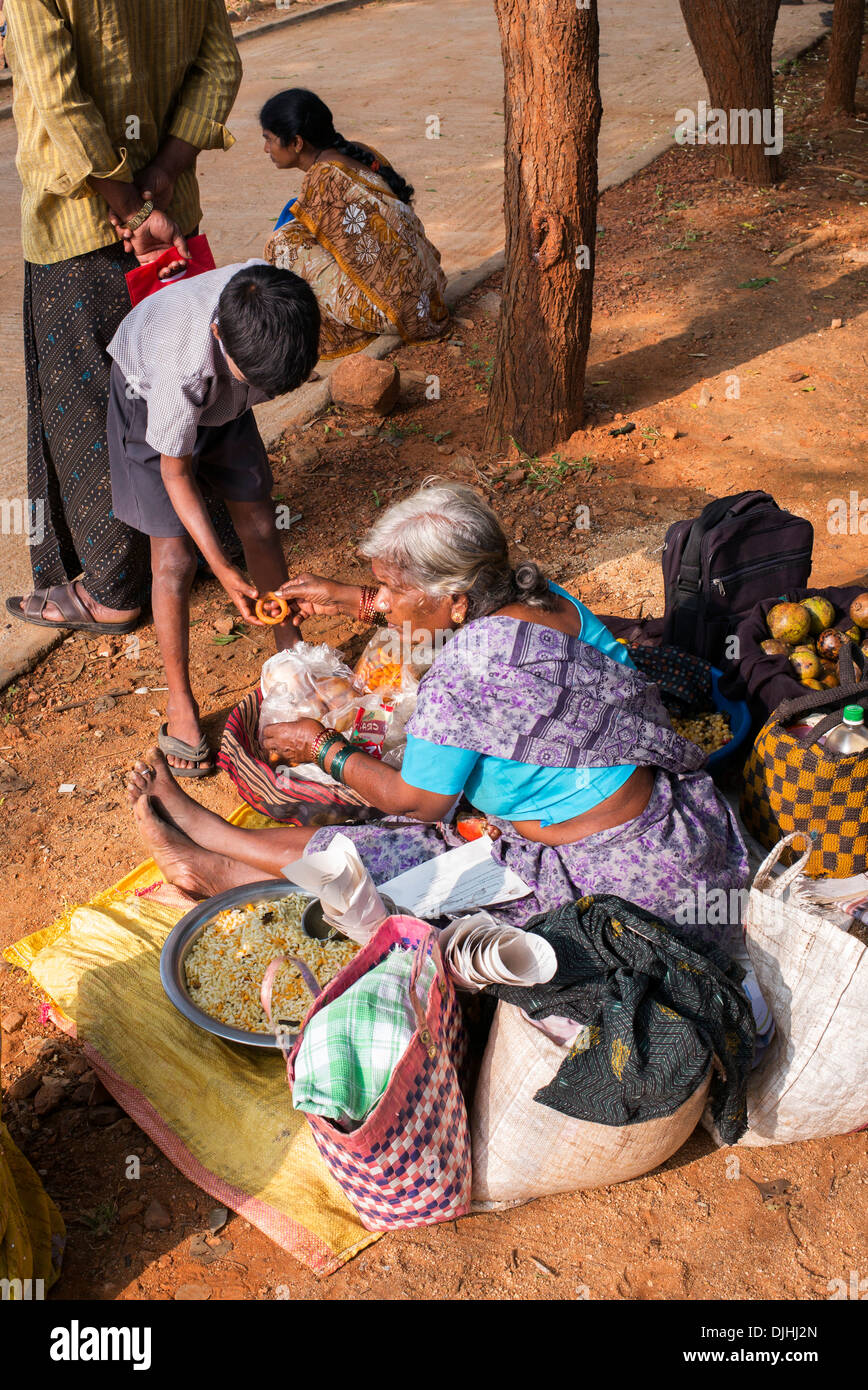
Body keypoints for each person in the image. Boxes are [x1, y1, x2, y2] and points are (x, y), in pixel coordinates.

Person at [126, 482, 748, 937]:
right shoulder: (545, 601)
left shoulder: (464, 677)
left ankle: (209, 855)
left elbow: (417, 801)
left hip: (611, 879)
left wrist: (320, 745)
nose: (385, 602)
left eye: (394, 590)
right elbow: (441, 611)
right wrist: (350, 597)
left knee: (380, 880)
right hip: (668, 827)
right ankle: (215, 844)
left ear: (455, 598)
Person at [4, 0, 242, 636]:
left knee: (85, 405)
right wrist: (160, 173)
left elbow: (58, 97)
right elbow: (219, 64)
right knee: (184, 380)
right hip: (171, 219)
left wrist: (126, 205)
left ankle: (113, 588)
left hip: (81, 225)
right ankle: (211, 540)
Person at [107, 261, 320, 775]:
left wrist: (246, 388)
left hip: (225, 396)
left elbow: (255, 373)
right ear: (218, 336)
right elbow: (176, 475)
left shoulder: (277, 310)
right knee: (175, 558)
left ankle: (290, 662)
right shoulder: (180, 368)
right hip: (150, 393)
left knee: (262, 525)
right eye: (258, 383)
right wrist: (222, 569)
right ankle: (180, 701)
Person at [260, 89, 450, 359]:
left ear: (297, 143)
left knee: (282, 245)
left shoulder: (324, 179)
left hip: (400, 313)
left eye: (269, 139)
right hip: (427, 294)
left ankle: (314, 335)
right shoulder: (359, 151)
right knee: (296, 219)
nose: (266, 149)